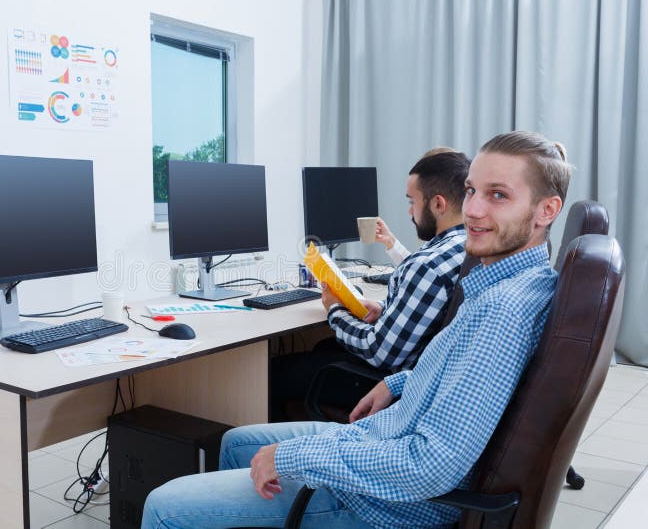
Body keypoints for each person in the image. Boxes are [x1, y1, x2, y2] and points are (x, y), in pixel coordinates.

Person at [142, 131, 572, 528]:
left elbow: (428, 466)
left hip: (384, 500)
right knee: (238, 442)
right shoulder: (510, 283)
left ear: (546, 210)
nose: (474, 209)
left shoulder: (501, 310)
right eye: (473, 191)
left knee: (162, 505)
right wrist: (400, 382)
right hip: (391, 431)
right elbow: (460, 370)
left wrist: (294, 457)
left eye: (498, 196)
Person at [271, 150, 469, 421]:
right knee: (321, 350)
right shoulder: (464, 247)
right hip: (422, 376)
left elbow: (380, 353)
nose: (410, 211)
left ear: (438, 204)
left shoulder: (427, 265)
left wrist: (335, 310)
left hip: (390, 388)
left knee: (276, 373)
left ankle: (273, 454)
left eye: (413, 201)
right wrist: (384, 309)